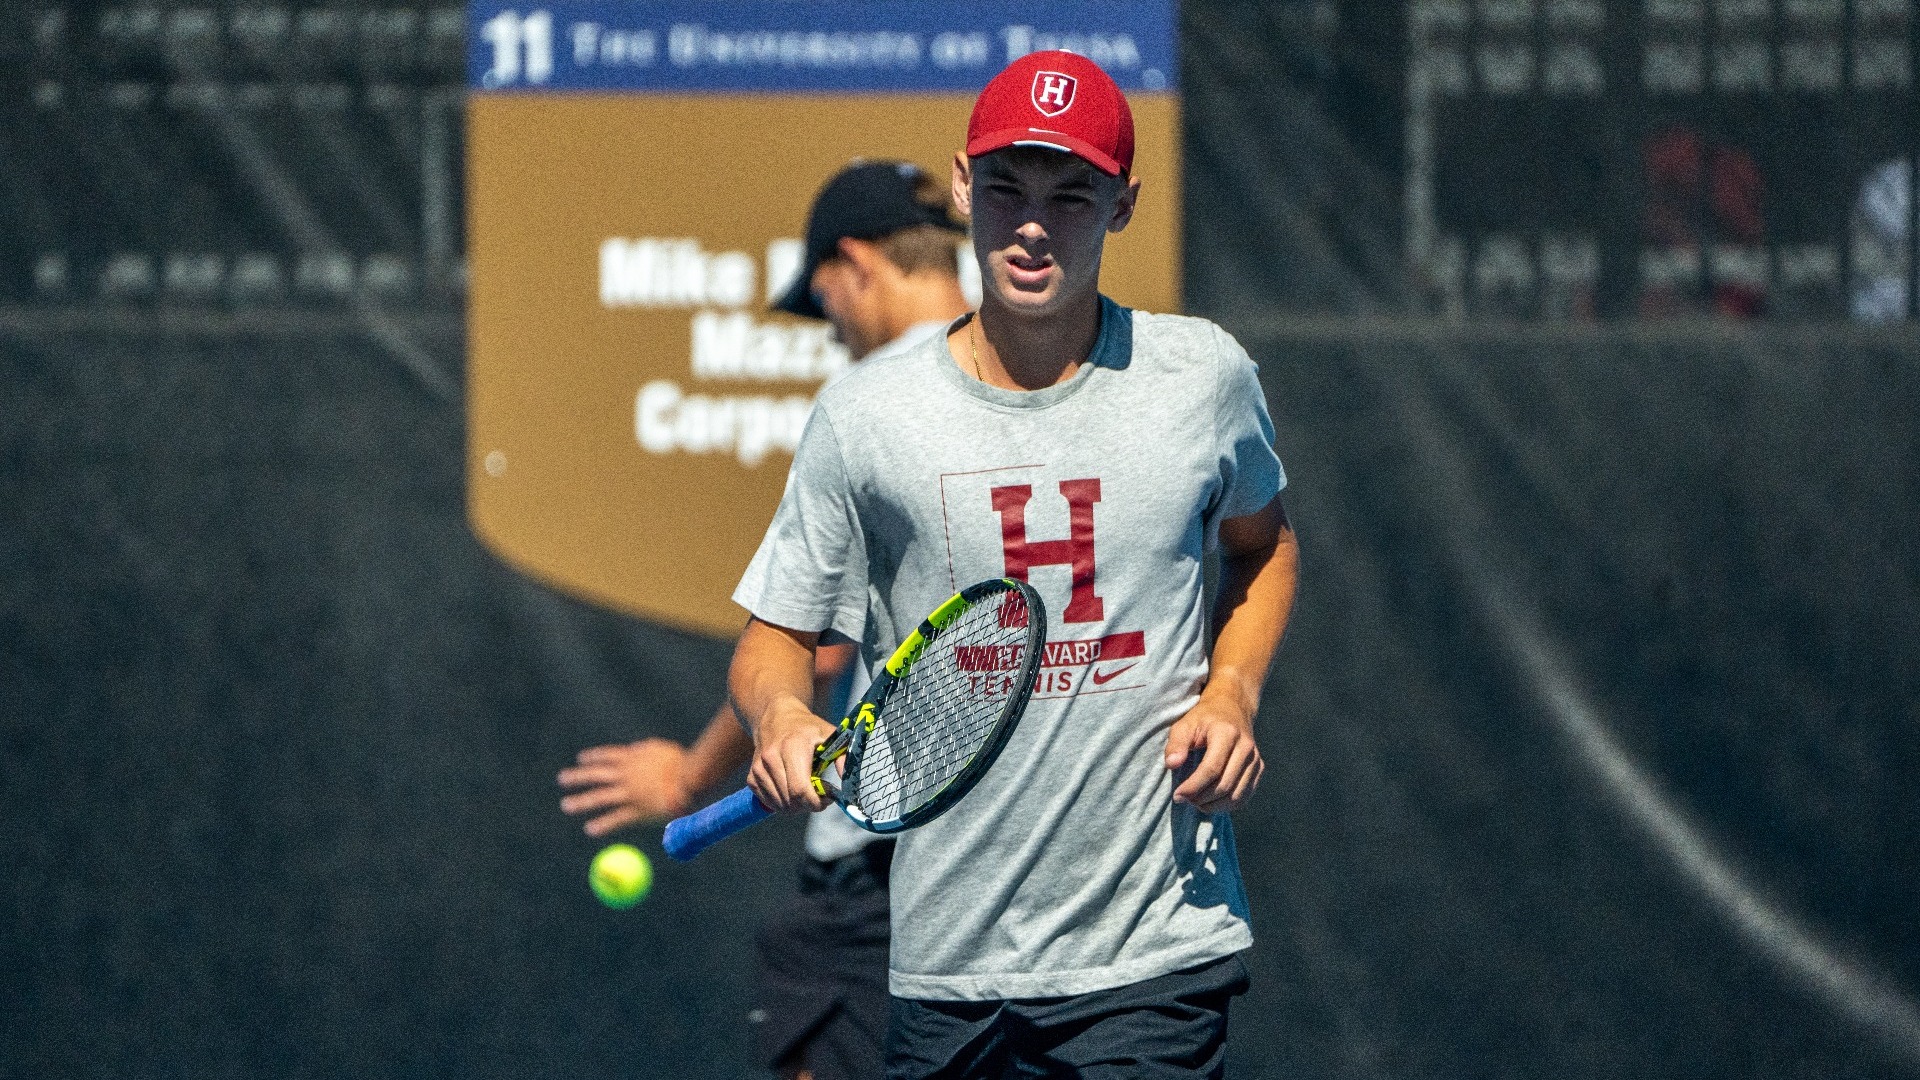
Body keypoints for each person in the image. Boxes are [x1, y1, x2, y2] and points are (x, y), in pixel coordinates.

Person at [726, 52, 1298, 1079]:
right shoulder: (866, 418)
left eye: (1070, 194)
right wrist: (778, 719)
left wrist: (1234, 693)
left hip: (1154, 958)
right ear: (960, 186)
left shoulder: (1202, 377)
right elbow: (776, 637)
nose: (1032, 223)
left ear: (1122, 203)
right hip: (946, 973)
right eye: (1005, 188)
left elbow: (1265, 549)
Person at [558, 160, 973, 1080]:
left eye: (822, 298)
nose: (830, 330)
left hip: (877, 880)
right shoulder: (1020, 379)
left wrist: (687, 780)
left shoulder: (873, 403)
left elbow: (813, 652)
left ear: (858, 265)